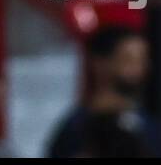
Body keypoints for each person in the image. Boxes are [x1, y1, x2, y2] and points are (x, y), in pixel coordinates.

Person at [46, 27, 155, 158]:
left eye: (142, 60)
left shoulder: (146, 123)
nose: (139, 69)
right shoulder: (77, 128)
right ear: (100, 63)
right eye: (128, 60)